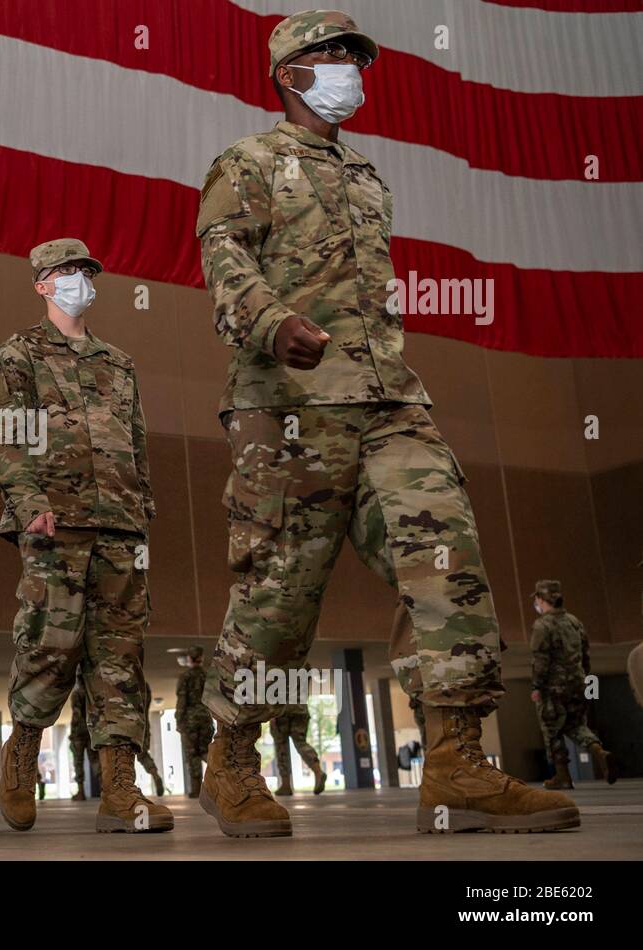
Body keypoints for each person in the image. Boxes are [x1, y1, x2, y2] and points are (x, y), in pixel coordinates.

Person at [194, 9, 577, 836]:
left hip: (391, 402)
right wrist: (270, 321)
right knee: (281, 592)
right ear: (287, 72)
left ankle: (455, 762)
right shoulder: (248, 161)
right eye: (329, 55)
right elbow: (223, 258)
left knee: (446, 557)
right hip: (290, 410)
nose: (346, 69)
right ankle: (229, 758)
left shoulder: (367, 175)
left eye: (353, 57)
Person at [0, 238, 171, 834]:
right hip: (54, 524)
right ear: (43, 284)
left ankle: (120, 788)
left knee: (120, 656)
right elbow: (9, 436)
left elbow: (137, 440)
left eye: (86, 272)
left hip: (119, 526)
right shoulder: (19, 354)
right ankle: (21, 755)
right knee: (50, 645)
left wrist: (141, 505)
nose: (79, 281)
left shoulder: (118, 362)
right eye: (66, 273)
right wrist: (28, 502)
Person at [530, 580, 618, 788]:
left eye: (536, 599)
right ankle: (599, 751)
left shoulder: (542, 625)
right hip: (577, 683)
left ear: (542, 600)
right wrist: (583, 678)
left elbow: (540, 659)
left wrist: (537, 686)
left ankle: (562, 776)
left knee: (552, 729)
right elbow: (585, 655)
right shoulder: (574, 621)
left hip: (553, 687)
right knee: (577, 725)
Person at [175, 646, 215, 798]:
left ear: (189, 659)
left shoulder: (185, 676)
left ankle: (196, 789)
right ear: (202, 658)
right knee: (205, 751)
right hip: (205, 718)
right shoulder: (207, 676)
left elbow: (182, 701)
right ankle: (219, 779)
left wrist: (179, 720)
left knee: (192, 754)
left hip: (190, 720)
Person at [269, 704, 326, 796]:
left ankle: (286, 785)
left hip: (281, 710)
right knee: (301, 742)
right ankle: (318, 771)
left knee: (281, 746)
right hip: (300, 709)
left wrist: (270, 713)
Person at [67, 672, 99, 801]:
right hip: (92, 730)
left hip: (79, 732)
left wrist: (73, 732)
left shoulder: (77, 693)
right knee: (95, 760)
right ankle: (105, 789)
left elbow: (76, 713)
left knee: (78, 761)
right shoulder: (93, 693)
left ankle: (81, 791)